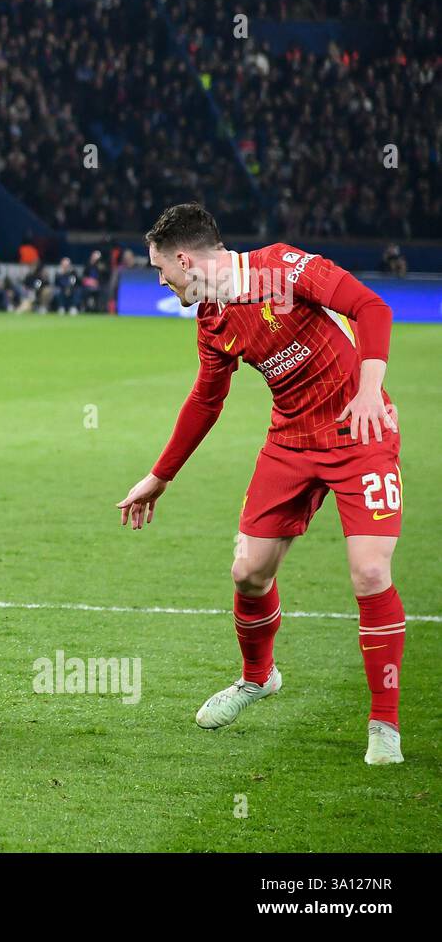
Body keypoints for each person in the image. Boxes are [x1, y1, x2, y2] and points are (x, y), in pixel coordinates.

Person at [116, 203, 406, 765]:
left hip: (360, 431)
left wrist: (371, 389)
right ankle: (258, 678)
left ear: (183, 258)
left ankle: (384, 724)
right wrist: (159, 477)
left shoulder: (283, 270)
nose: (160, 280)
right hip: (292, 441)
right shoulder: (212, 319)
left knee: (370, 572)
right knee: (248, 572)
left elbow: (370, 307)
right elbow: (206, 400)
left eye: (160, 270)